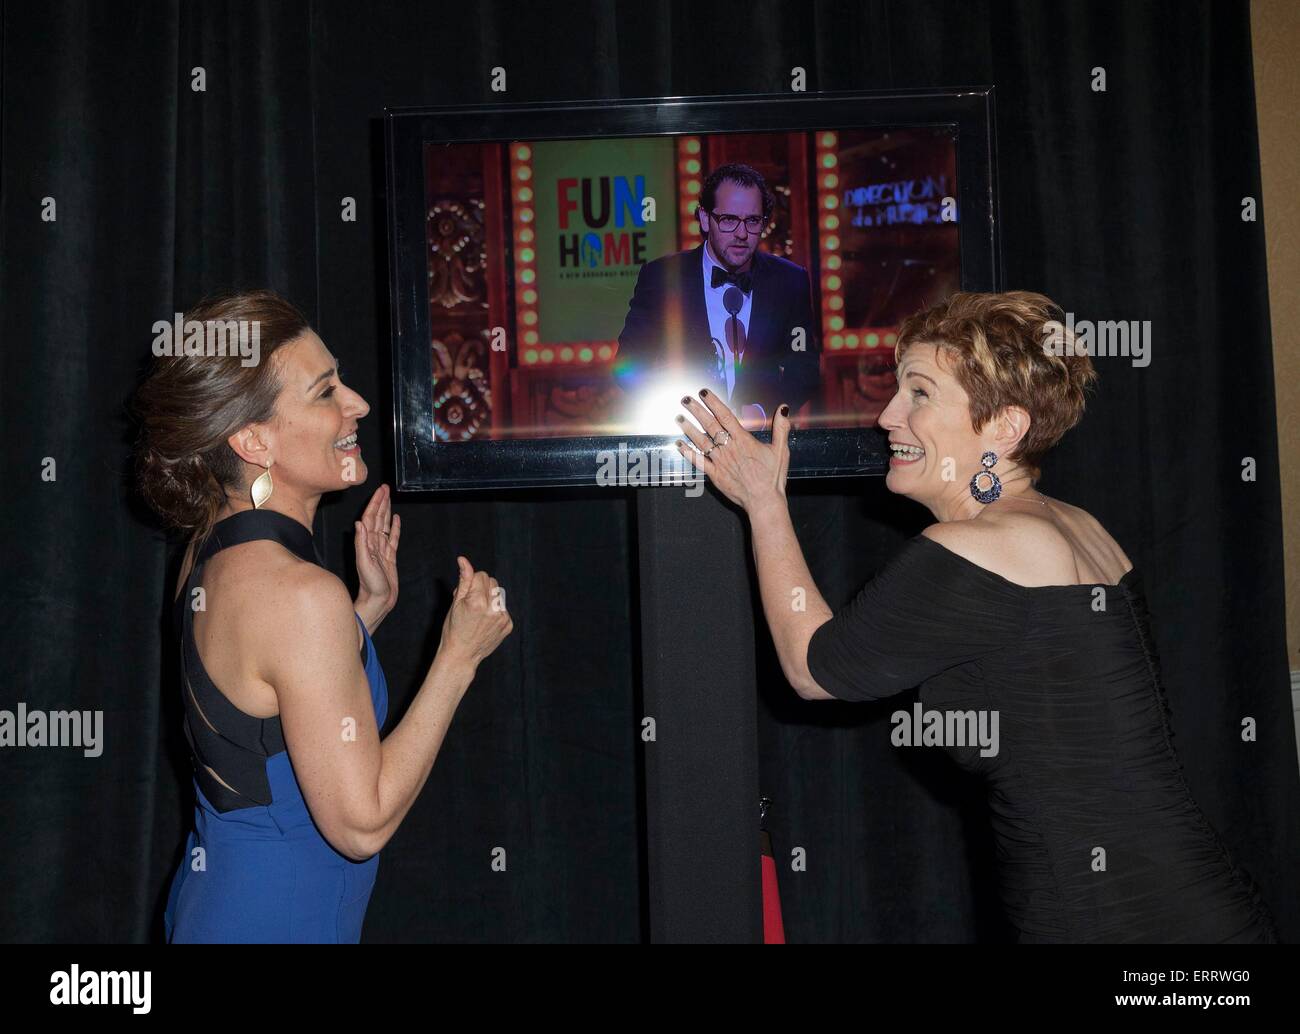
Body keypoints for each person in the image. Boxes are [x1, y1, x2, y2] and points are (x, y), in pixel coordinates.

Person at [673, 290, 1278, 943]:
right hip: (1195, 912)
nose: (886, 416)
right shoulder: (1077, 527)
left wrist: (764, 503)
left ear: (1004, 428)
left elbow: (813, 668)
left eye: (920, 394)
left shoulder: (981, 548)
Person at [132, 289, 512, 942]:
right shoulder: (300, 596)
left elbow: (262, 709)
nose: (357, 404)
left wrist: (368, 609)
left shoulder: (209, 546)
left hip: (216, 907)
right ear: (253, 439)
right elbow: (360, 824)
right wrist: (458, 657)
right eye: (325, 391)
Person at [614, 163, 821, 430]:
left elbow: (804, 367)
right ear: (704, 218)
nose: (741, 233)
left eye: (752, 221)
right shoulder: (662, 278)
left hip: (761, 445)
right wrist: (681, 412)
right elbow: (628, 365)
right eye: (729, 219)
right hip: (685, 441)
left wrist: (763, 412)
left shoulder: (790, 280)